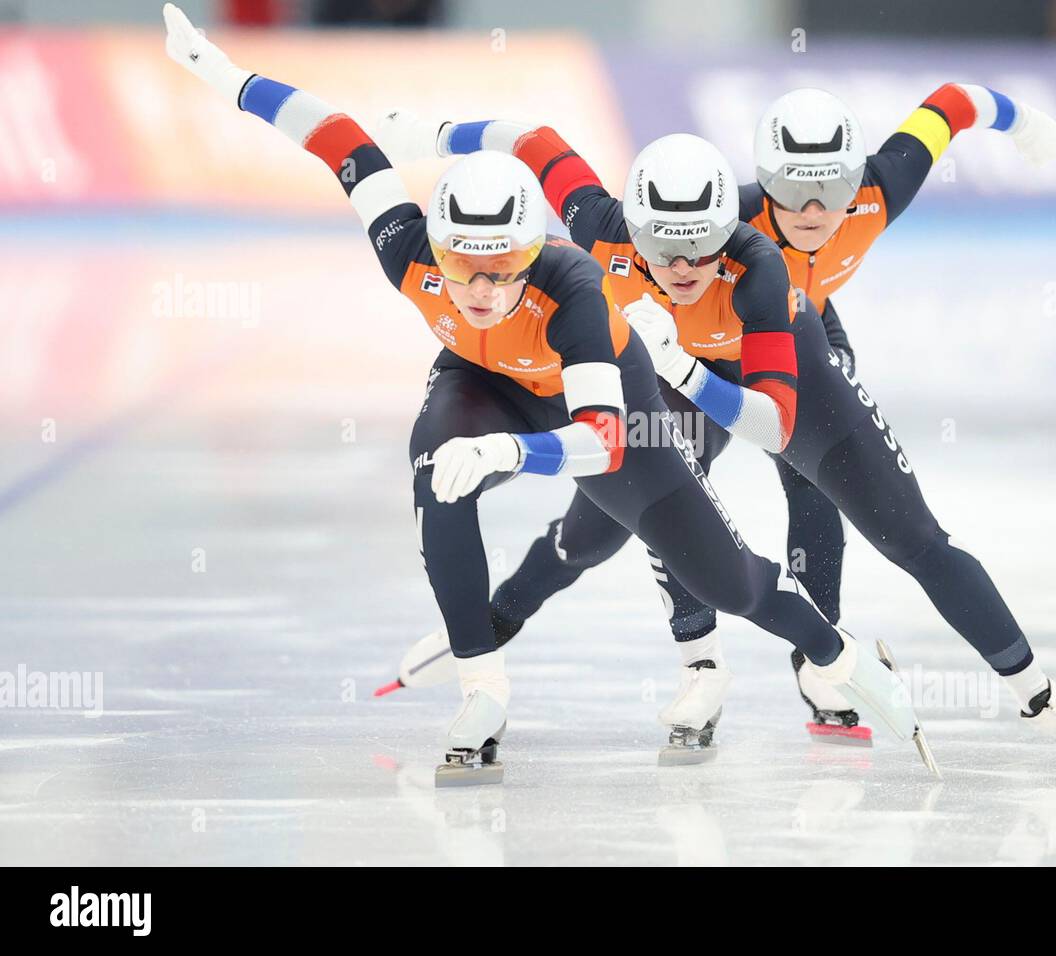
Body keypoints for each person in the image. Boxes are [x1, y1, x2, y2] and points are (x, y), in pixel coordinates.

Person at [160, 4, 938, 782]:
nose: (483, 288)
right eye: (464, 266)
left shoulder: (572, 288)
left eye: (504, 268)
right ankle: (482, 686)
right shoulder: (405, 250)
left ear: (535, 252)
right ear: (436, 247)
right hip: (484, 382)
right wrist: (229, 78)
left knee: (728, 579)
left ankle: (840, 657)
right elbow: (337, 137)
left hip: (603, 396)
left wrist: (509, 451)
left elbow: (600, 439)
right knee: (435, 466)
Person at [377, 82, 1056, 763]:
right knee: (615, 521)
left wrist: (1023, 118)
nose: (811, 214)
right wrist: (439, 136)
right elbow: (536, 143)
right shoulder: (614, 229)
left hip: (785, 350)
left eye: (831, 189)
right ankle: (683, 659)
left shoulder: (853, 204)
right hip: (684, 371)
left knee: (893, 526)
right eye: (788, 190)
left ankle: (1019, 692)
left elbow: (953, 103)